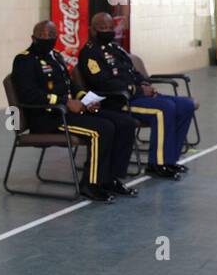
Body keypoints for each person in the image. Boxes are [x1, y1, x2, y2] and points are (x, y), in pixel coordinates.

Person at [11, 21, 136, 202]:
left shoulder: (56, 56)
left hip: (67, 112)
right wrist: (65, 102)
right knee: (102, 130)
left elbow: (71, 85)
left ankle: (111, 178)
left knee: (125, 122)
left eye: (51, 35)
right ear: (33, 37)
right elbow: (28, 95)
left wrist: (86, 99)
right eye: (42, 35)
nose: (47, 38)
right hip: (48, 118)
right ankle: (91, 184)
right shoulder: (24, 60)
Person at [77, 12, 196, 179]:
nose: (108, 30)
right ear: (92, 30)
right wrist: (138, 90)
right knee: (164, 109)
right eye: (102, 28)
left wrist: (145, 84)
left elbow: (132, 72)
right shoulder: (89, 54)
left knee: (186, 104)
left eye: (111, 27)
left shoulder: (116, 48)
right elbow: (102, 84)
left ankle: (170, 159)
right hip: (118, 100)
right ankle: (157, 164)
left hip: (137, 95)